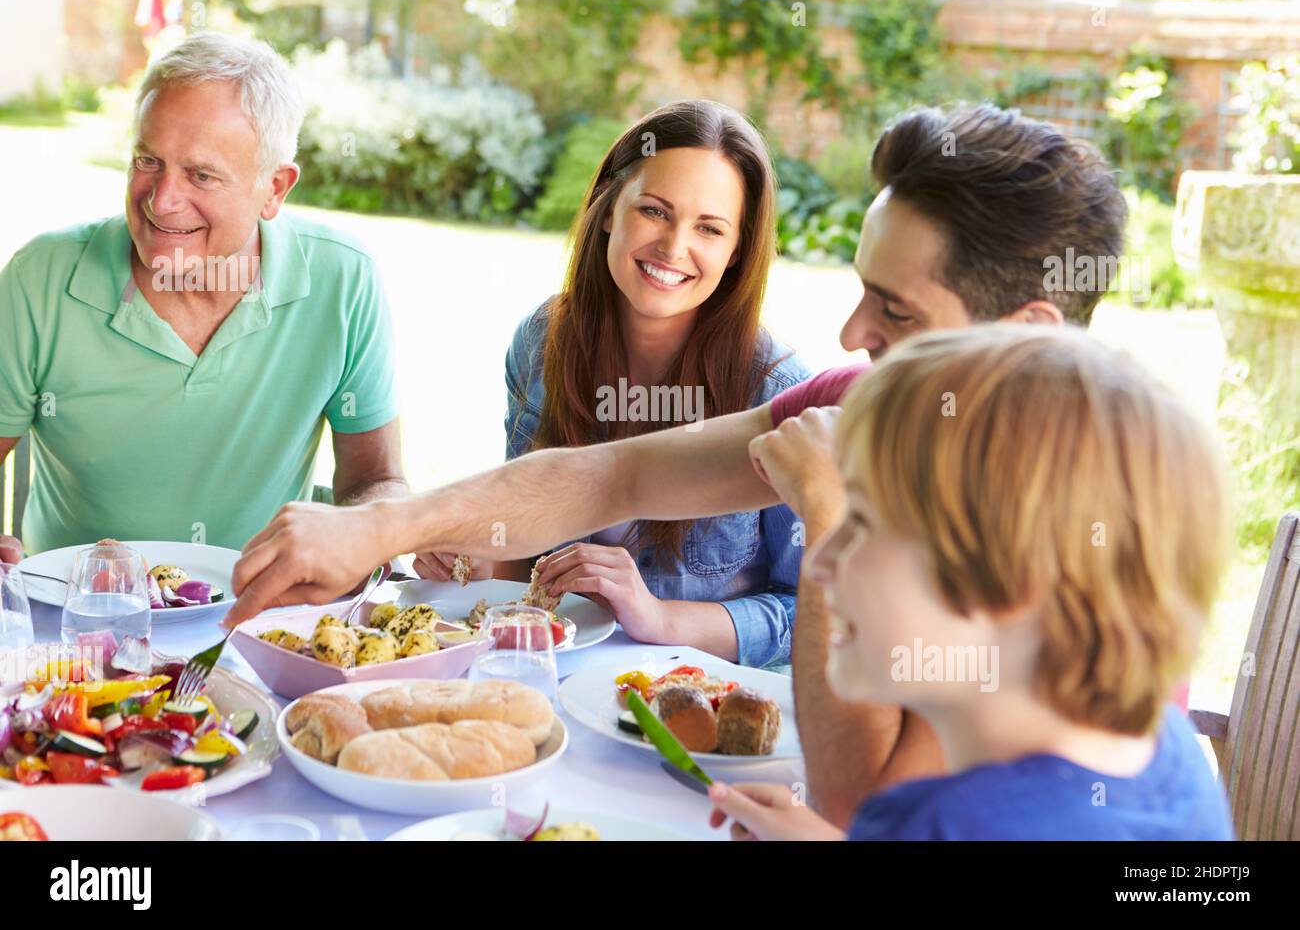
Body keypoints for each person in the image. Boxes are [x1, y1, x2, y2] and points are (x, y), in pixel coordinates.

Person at [221, 104, 1126, 823]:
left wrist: (835, 530)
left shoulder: (1054, 520)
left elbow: (862, 801)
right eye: (859, 291)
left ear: (1025, 337)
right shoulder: (862, 401)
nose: (852, 335)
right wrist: (379, 524)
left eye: (896, 311)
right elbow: (613, 476)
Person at [705, 324, 1234, 840]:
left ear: (1009, 583)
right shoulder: (1170, 754)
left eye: (859, 523)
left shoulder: (935, 823)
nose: (818, 565)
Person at [420, 101, 809, 666]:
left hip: (683, 706)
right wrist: (481, 556)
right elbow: (522, 561)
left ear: (735, 253)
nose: (674, 248)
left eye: (709, 228)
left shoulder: (778, 393)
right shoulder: (543, 338)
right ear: (608, 209)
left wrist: (656, 614)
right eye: (654, 211)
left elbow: (815, 615)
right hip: (551, 679)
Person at [0, 32, 405, 563]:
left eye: (201, 174)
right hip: (80, 618)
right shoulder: (42, 277)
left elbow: (374, 480)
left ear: (275, 189)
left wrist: (389, 530)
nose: (163, 201)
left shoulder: (343, 279)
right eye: (148, 161)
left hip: (262, 622)